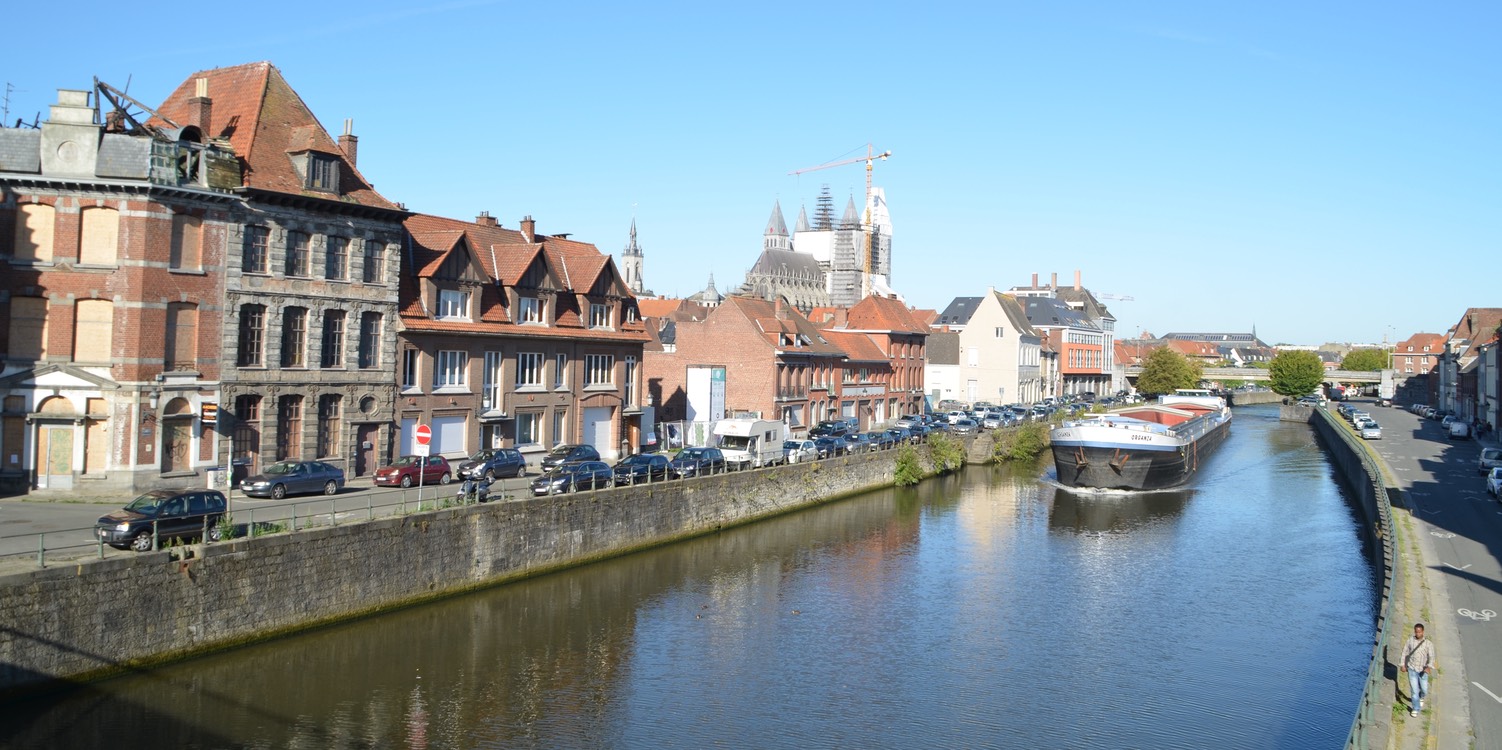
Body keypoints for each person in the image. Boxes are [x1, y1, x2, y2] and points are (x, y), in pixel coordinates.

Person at [1400, 623, 1435, 717]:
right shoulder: (1410, 641)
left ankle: (1422, 697)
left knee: (1424, 689)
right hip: (1412, 669)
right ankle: (1415, 708)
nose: (1417, 633)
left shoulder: (1428, 644)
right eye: (1416, 631)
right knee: (1414, 690)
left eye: (1419, 632)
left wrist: (1429, 666)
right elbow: (1404, 652)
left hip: (1423, 670)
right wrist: (1402, 664)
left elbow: (1432, 657)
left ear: (1423, 632)